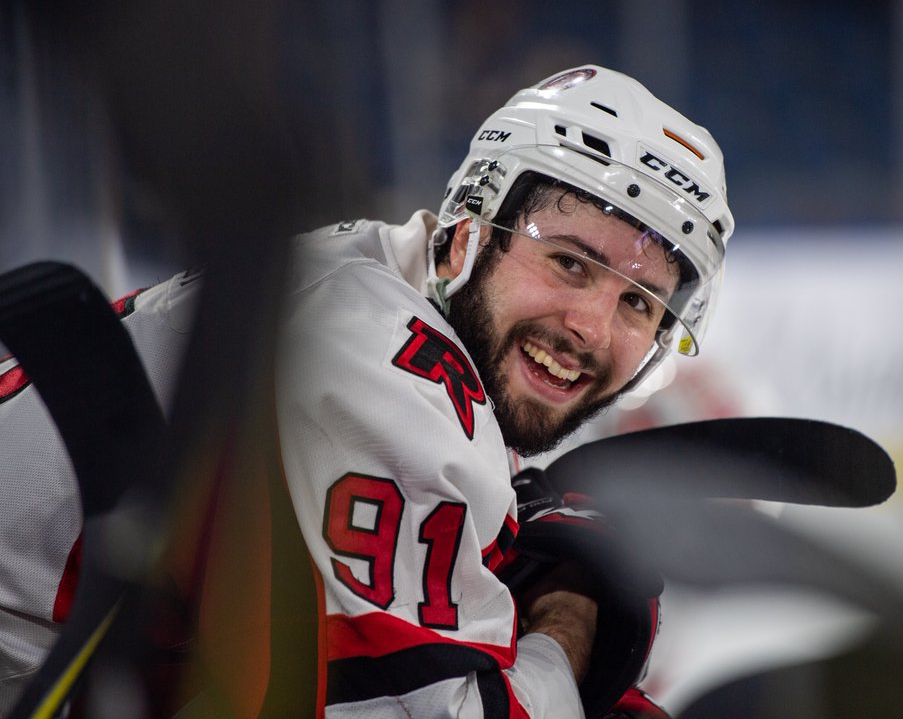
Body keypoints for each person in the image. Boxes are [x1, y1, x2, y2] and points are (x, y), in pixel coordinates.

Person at [0, 65, 735, 718]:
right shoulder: (385, 365)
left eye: (639, 303)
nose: (592, 328)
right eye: (571, 264)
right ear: (469, 230)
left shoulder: (370, 281)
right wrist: (573, 613)